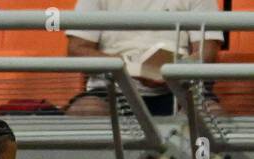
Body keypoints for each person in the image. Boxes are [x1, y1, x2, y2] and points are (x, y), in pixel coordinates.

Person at [66, 0, 222, 117]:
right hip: (111, 90)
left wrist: (173, 72)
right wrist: (125, 66)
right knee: (85, 110)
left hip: (179, 90)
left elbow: (207, 53)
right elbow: (77, 50)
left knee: (210, 113)